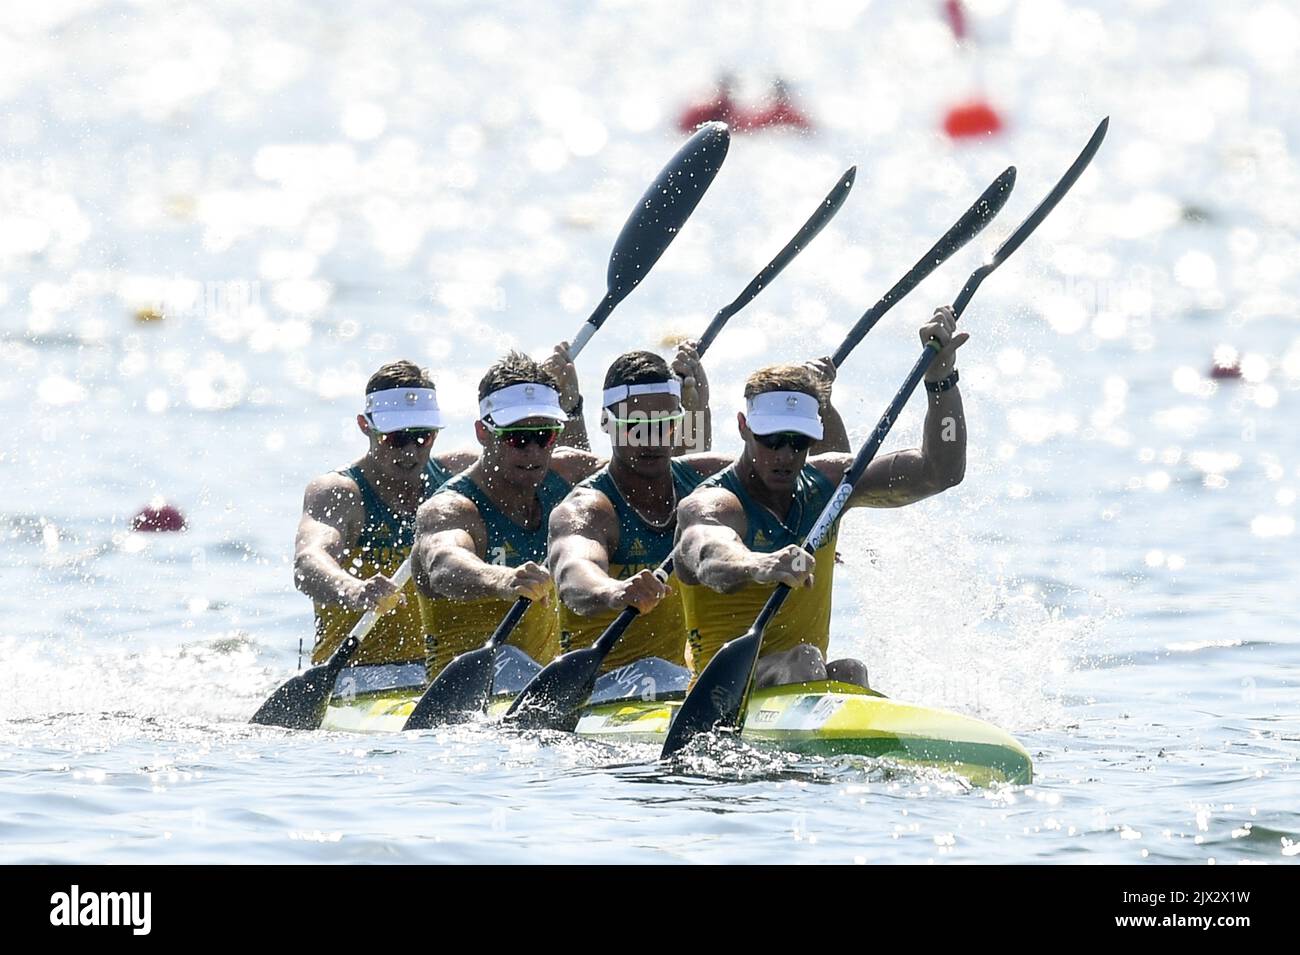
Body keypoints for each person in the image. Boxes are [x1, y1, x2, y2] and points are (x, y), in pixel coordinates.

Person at [675, 307, 968, 688]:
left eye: (798, 442)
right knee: (807, 661)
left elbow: (939, 472)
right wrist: (760, 565)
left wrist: (941, 379)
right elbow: (709, 558)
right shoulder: (713, 502)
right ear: (744, 427)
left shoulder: (828, 483)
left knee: (850, 671)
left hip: (800, 676)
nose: (784, 455)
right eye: (772, 439)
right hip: (718, 685)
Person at [293, 348, 577, 688]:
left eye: (421, 436)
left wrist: (565, 406)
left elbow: (558, 470)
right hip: (355, 676)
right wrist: (354, 590)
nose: (410, 452)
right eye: (395, 439)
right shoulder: (340, 492)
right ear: (364, 427)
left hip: (440, 676)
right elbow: (309, 562)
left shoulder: (463, 474)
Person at [412, 350, 602, 681]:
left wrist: (695, 411)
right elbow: (444, 565)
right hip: (463, 703)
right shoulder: (452, 508)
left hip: (540, 685)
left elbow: (664, 480)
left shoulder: (568, 474)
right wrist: (504, 580)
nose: (533, 451)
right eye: (517, 438)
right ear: (483, 433)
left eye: (545, 436)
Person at [546, 344, 730, 675]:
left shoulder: (701, 481)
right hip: (601, 684)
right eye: (635, 426)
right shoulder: (587, 507)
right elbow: (573, 574)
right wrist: (614, 591)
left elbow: (823, 479)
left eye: (664, 425)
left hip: (677, 683)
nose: (651, 439)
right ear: (606, 422)